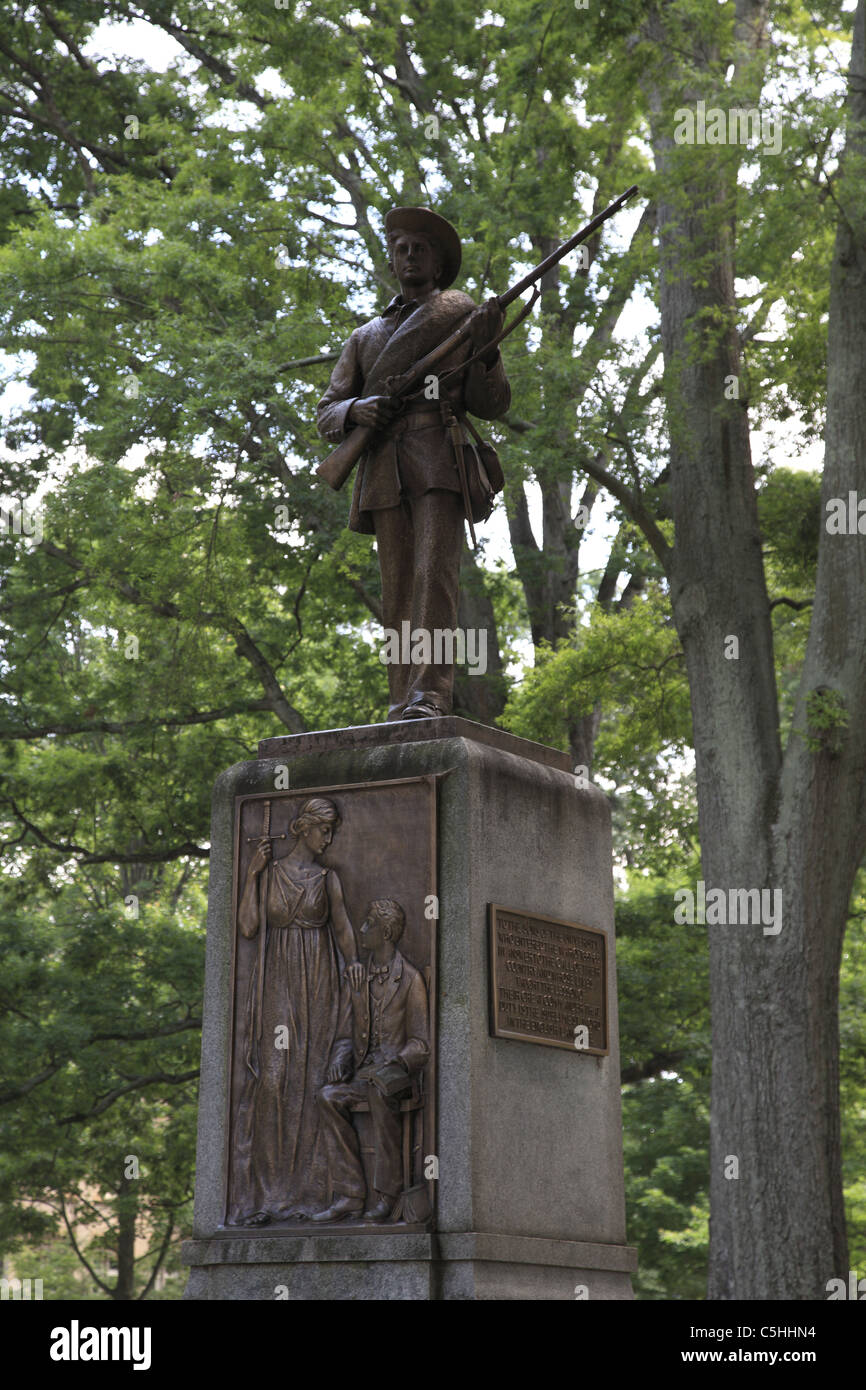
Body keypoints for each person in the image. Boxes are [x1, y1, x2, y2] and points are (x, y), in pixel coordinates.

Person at [317, 206, 511, 720]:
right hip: (382, 467)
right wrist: (357, 409)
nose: (408, 256)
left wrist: (487, 349)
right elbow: (327, 411)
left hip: (436, 461)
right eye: (400, 248)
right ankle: (401, 697)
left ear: (439, 262)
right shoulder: (364, 337)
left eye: (419, 248)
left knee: (434, 580)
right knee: (397, 587)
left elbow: (491, 404)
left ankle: (430, 694)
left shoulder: (462, 317)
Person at [228, 797, 364, 1225]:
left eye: (333, 830)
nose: (330, 837)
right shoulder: (269, 874)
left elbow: (342, 927)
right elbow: (248, 927)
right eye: (324, 829)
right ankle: (269, 1193)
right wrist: (252, 873)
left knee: (311, 1079)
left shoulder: (328, 879)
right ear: (303, 828)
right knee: (273, 1081)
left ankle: (313, 1192)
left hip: (318, 980)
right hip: (277, 984)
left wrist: (354, 966)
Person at [313, 899, 429, 1223]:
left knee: (380, 1093)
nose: (362, 930)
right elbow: (346, 1036)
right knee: (327, 1097)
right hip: (363, 1075)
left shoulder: (411, 980)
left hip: (398, 1077)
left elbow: (421, 1044)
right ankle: (351, 1193)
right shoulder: (359, 978)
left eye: (369, 924)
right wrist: (340, 1060)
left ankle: (388, 1195)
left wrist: (397, 1065)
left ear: (387, 932)